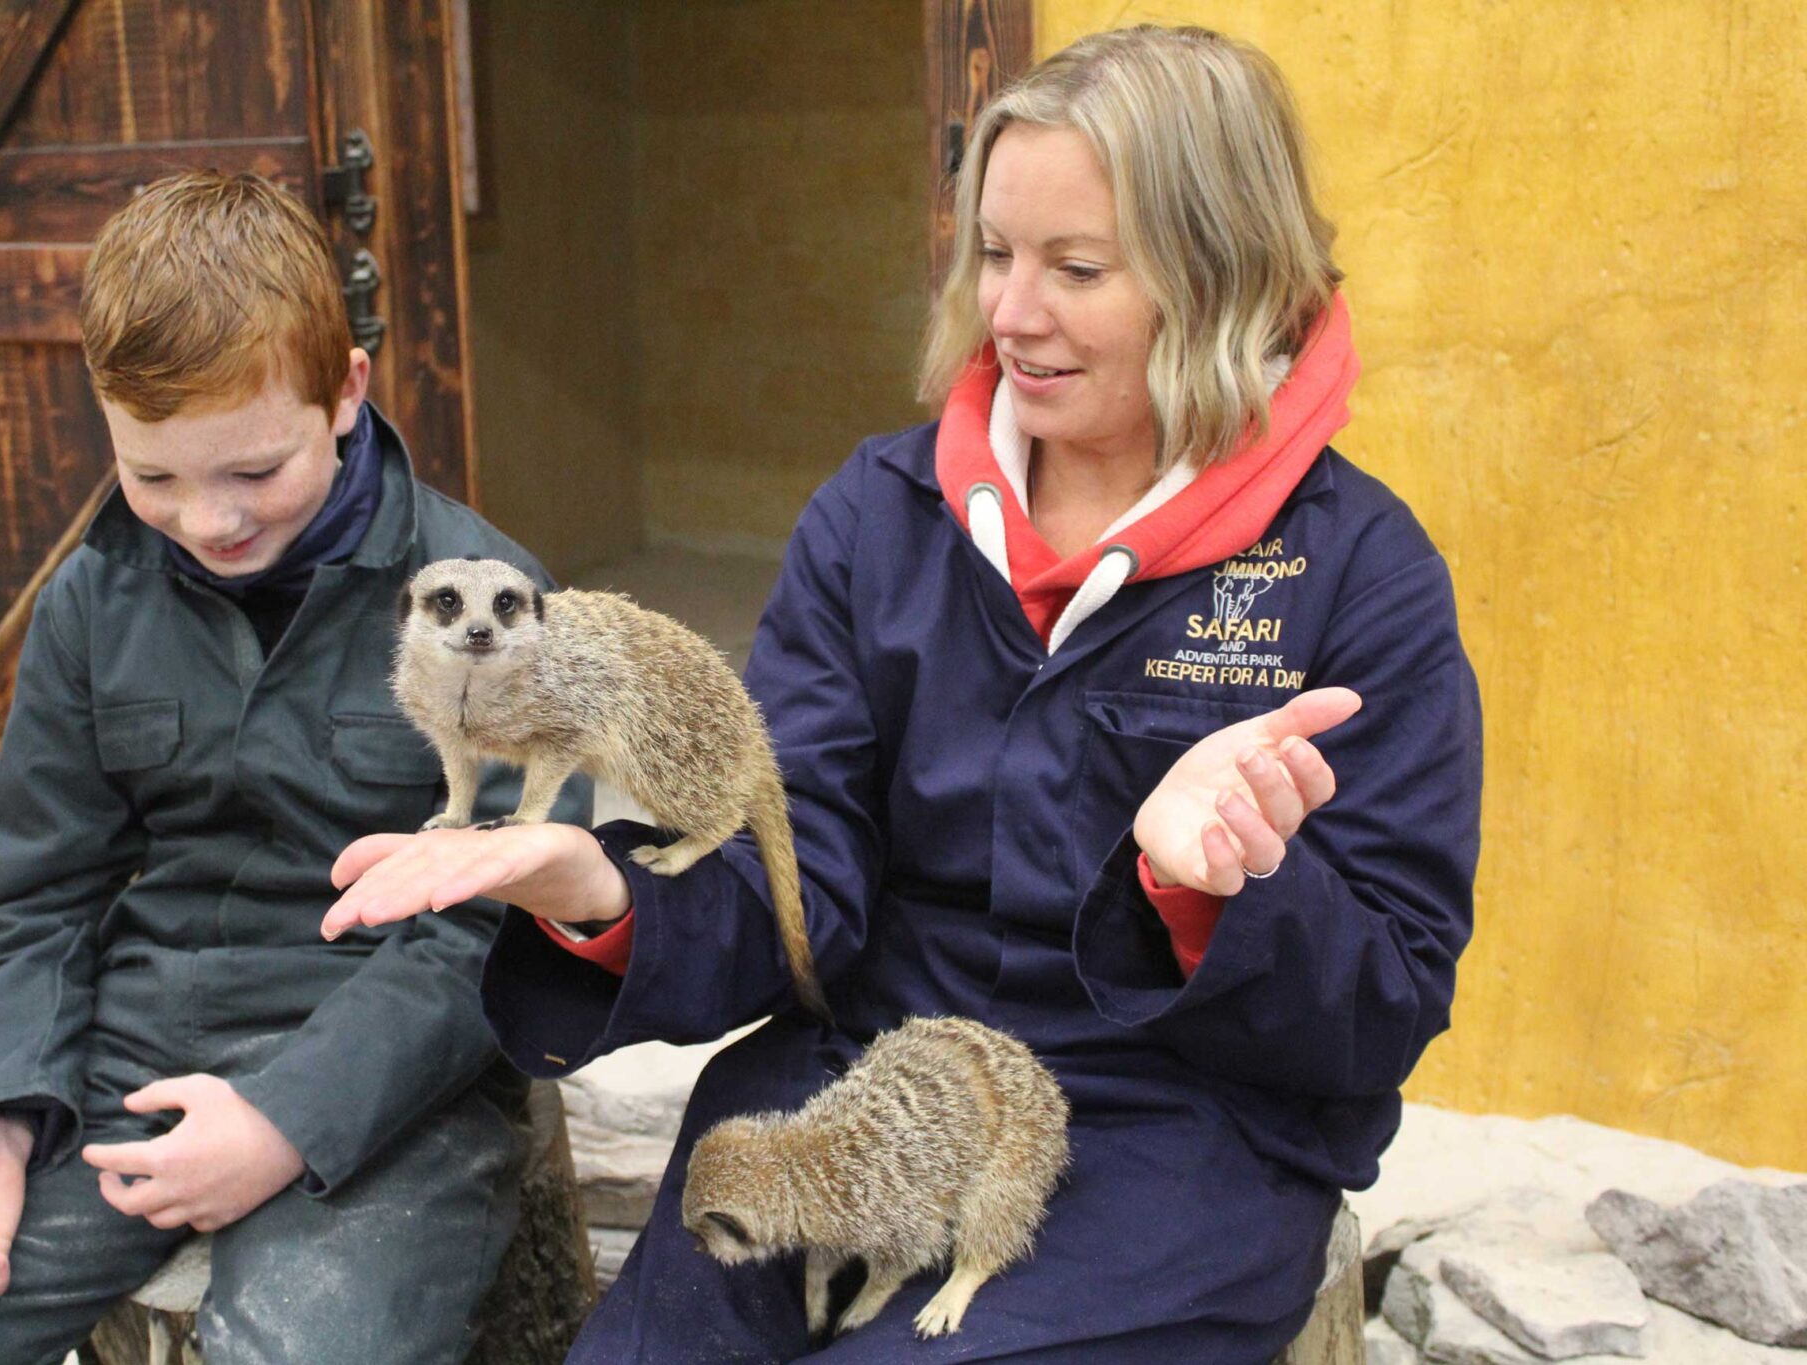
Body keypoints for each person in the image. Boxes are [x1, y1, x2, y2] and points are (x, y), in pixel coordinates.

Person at [324, 24, 1480, 1363]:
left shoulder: (1355, 570)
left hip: (1164, 1144)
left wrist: (1211, 891)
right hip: (854, 1088)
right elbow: (798, 871)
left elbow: (1385, 1002)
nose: (1011, 312)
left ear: (1222, 274)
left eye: (1076, 268)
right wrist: (605, 896)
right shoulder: (876, 516)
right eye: (993, 253)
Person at [0, 171, 587, 1365]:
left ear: (344, 392)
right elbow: (32, 898)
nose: (209, 521)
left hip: (395, 1081)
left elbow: (497, 930)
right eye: (154, 477)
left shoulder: (491, 606)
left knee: (305, 1345)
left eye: (253, 472)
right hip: (140, 1048)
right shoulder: (87, 604)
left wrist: (288, 1119)